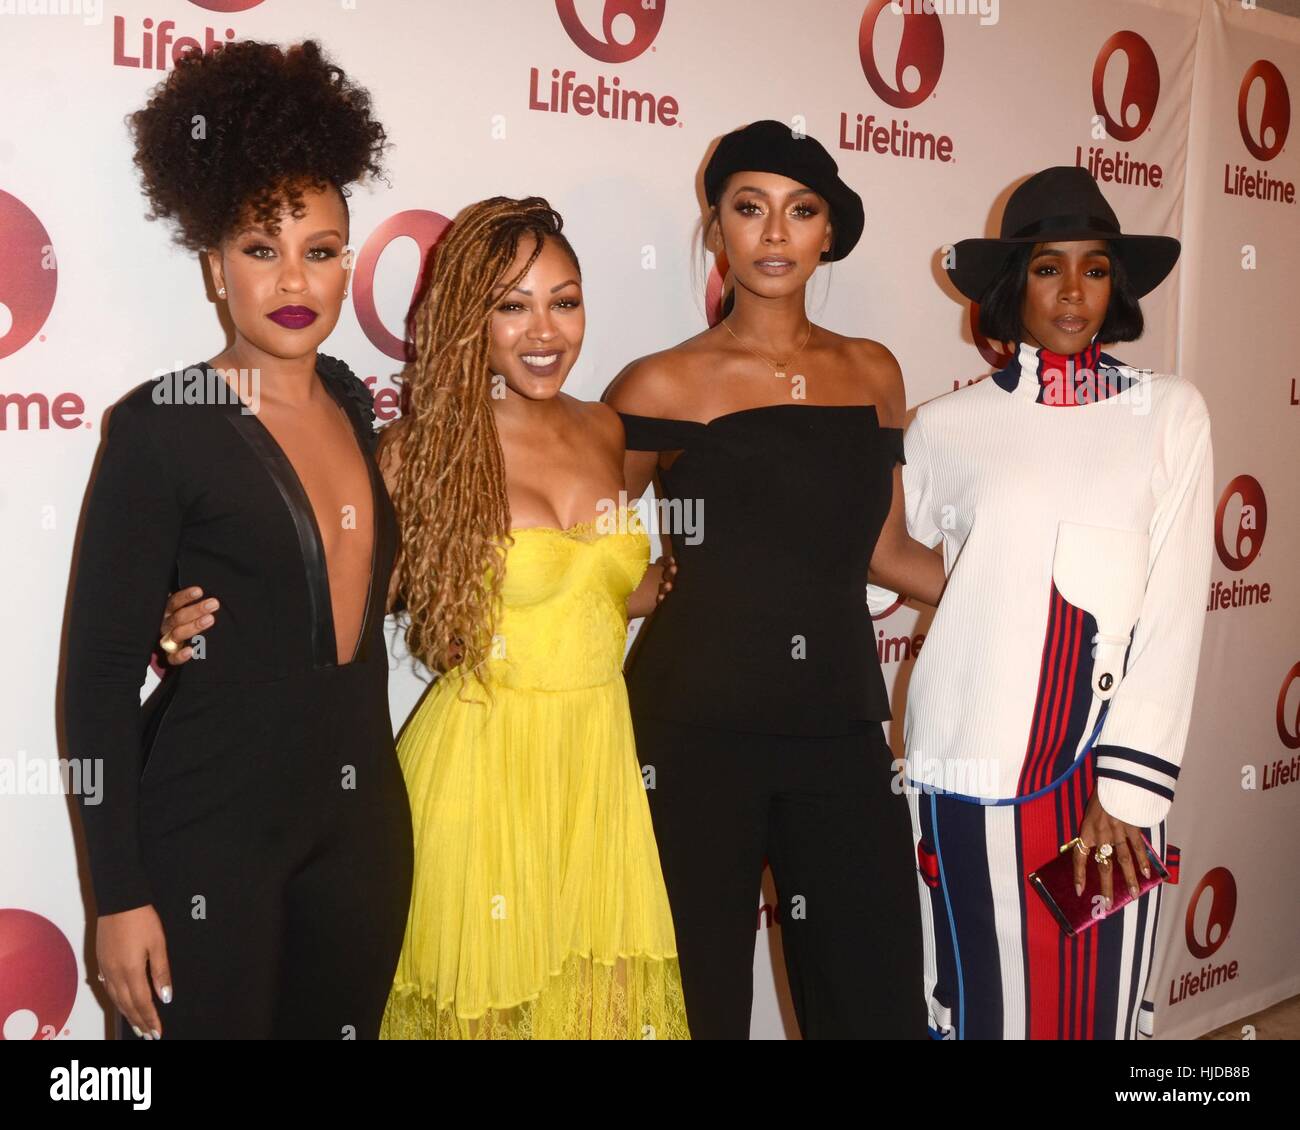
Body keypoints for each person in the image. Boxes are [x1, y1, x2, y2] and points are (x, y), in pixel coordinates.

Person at [64, 40, 412, 1040]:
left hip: (364, 833)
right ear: (215, 267)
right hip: (207, 834)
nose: (293, 276)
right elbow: (93, 684)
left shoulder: (355, 401)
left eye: (321, 246)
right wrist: (117, 895)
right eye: (261, 248)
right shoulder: (160, 425)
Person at [606, 120, 940, 1039]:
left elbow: (888, 552)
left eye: (801, 212)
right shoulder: (661, 382)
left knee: (872, 995)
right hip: (686, 733)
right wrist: (634, 584)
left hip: (837, 725)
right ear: (717, 229)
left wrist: (1026, 597)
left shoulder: (872, 371)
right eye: (749, 210)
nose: (774, 233)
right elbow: (583, 537)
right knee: (693, 999)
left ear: (829, 232)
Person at [884, 165, 1212, 1039]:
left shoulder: (1169, 414)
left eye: (1095, 268)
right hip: (960, 771)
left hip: (1096, 780)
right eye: (1047, 267)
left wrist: (1132, 790)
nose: (1073, 292)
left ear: (1117, 284)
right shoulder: (943, 427)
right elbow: (886, 550)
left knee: (1092, 1013)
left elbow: (1176, 609)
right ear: (1011, 283)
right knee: (975, 1010)